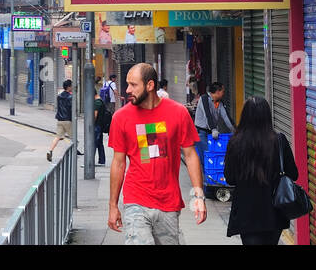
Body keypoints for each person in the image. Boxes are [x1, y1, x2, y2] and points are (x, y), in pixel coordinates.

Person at [108, 63, 206, 245]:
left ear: (150, 85)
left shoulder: (178, 113)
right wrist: (113, 205)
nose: (128, 89)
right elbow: (118, 163)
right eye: (127, 84)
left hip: (168, 202)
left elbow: (191, 156)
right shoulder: (120, 118)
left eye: (133, 85)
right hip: (135, 199)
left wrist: (198, 197)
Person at [225, 97, 299, 245]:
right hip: (273, 212)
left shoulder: (235, 142)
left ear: (244, 116)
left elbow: (230, 178)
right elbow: (293, 174)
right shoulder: (279, 140)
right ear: (267, 116)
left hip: (246, 213)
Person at [194, 82, 236, 170]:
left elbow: (226, 117)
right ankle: (206, 181)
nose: (223, 93)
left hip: (212, 133)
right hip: (201, 132)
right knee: (206, 157)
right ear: (217, 92)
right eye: (222, 91)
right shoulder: (204, 99)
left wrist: (235, 131)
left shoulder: (219, 103)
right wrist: (213, 129)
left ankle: (212, 179)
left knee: (214, 157)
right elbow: (207, 114)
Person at [47, 80, 82, 161]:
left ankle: (50, 151)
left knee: (57, 137)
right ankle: (73, 153)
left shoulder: (59, 96)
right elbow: (72, 109)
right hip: (67, 120)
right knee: (74, 139)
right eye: (71, 86)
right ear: (69, 87)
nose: (72, 87)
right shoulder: (70, 97)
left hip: (60, 120)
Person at [93, 87, 111, 165]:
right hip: (99, 126)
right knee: (99, 143)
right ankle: (102, 160)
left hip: (97, 126)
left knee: (93, 143)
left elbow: (95, 115)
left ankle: (89, 161)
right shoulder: (100, 101)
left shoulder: (97, 102)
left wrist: (90, 125)